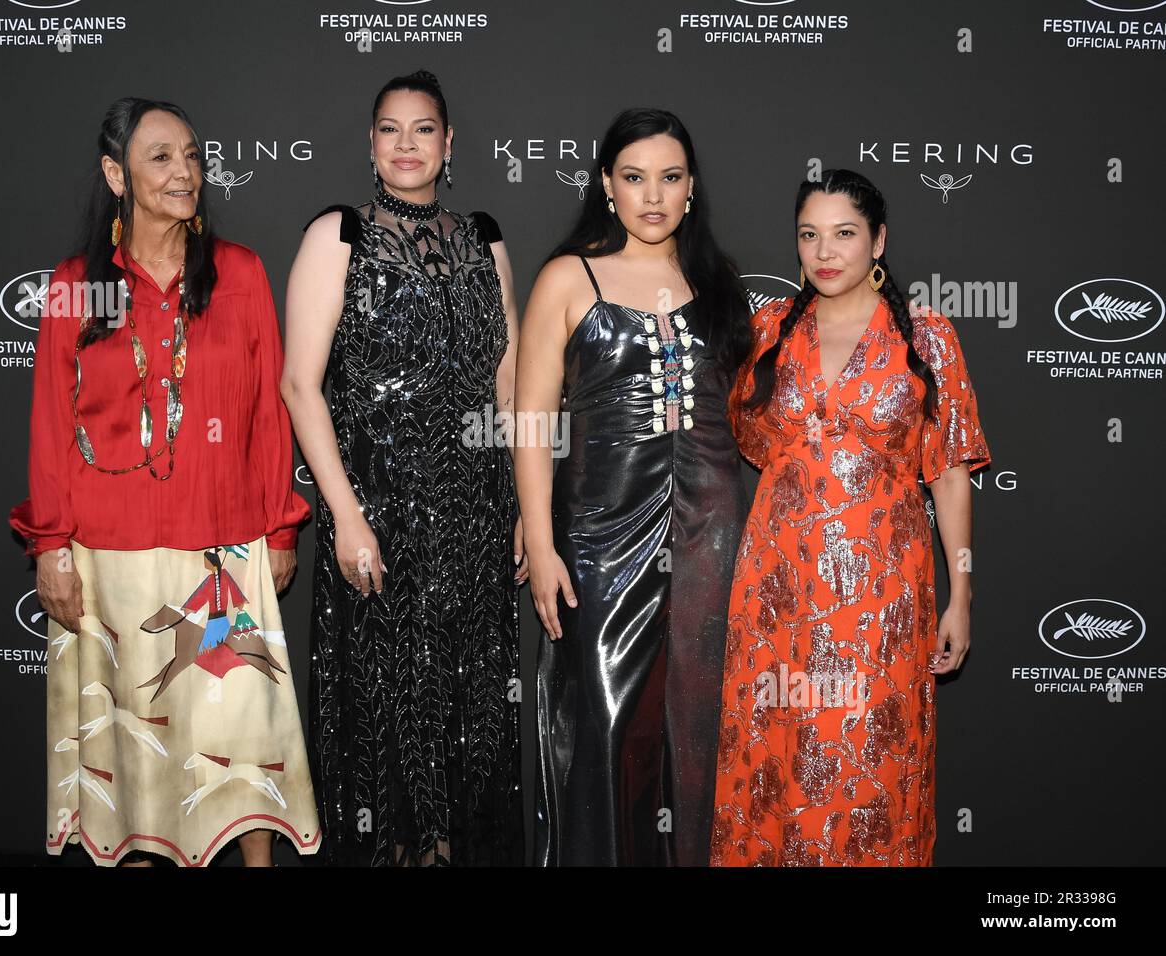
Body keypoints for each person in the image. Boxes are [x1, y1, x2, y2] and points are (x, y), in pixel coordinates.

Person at [10, 97, 320, 867]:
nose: (184, 172)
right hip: (108, 560)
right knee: (135, 747)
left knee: (246, 742)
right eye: (160, 157)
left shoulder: (240, 273)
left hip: (222, 551)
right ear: (117, 174)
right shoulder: (77, 286)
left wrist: (278, 527)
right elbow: (52, 424)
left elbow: (265, 412)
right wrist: (51, 545)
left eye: (190, 155)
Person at [709, 169, 990, 867]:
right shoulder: (769, 332)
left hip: (883, 594)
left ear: (879, 241)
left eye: (844, 234)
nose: (824, 251)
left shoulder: (927, 337)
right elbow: (749, 444)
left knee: (870, 763)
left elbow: (949, 472)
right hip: (779, 588)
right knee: (777, 755)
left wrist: (963, 593)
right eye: (809, 235)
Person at [281, 70, 525, 866]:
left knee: (469, 711)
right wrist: (346, 516)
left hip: (476, 516)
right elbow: (299, 384)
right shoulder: (337, 235)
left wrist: (525, 502)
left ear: (449, 143)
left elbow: (510, 381)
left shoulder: (485, 237)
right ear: (371, 143)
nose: (408, 144)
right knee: (390, 715)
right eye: (391, 129)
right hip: (380, 516)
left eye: (425, 129)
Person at [516, 108, 752, 865]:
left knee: (701, 729)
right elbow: (529, 425)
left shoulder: (717, 282)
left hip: (711, 533)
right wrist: (542, 543)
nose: (654, 195)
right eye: (635, 177)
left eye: (671, 177)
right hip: (597, 539)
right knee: (607, 732)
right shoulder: (566, 276)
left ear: (692, 190)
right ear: (606, 188)